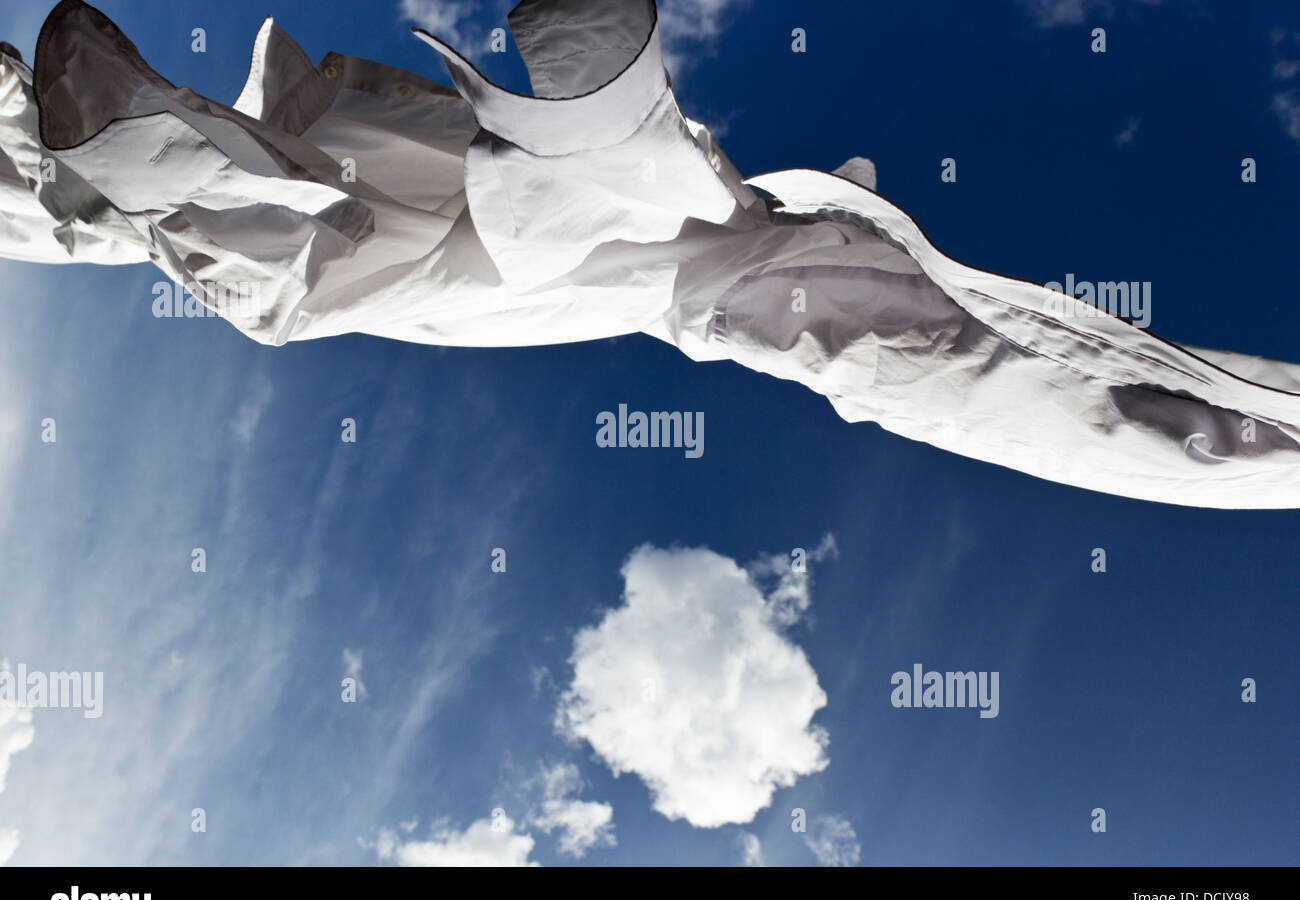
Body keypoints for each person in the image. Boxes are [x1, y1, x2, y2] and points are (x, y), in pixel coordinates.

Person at [6, 0, 1300, 508]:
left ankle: (106, 147)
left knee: (284, 268)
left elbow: (1028, 389)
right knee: (292, 269)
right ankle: (108, 150)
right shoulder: (726, 266)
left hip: (578, 238)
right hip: (586, 239)